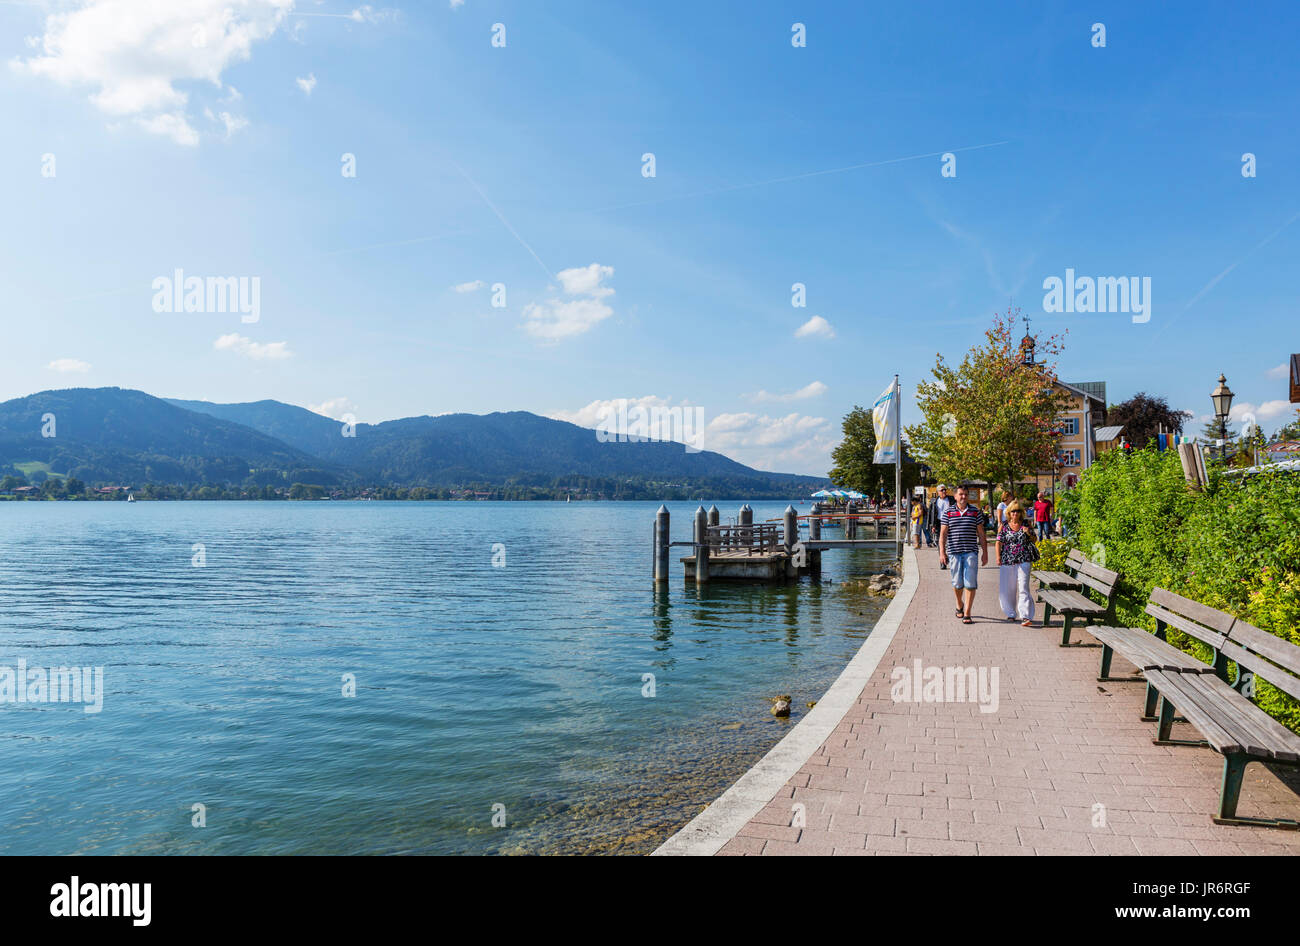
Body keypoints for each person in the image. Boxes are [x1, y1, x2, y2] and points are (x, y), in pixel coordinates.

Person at [939, 485, 988, 624]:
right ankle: (959, 603)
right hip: (954, 552)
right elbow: (943, 534)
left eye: (966, 494)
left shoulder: (975, 512)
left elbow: (981, 533)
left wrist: (985, 553)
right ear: (955, 496)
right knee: (957, 583)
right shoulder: (948, 512)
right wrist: (942, 553)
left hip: (971, 552)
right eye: (961, 494)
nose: (963, 497)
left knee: (970, 583)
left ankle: (967, 612)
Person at [996, 500, 1039, 626]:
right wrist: (998, 557)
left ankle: (1026, 616)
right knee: (1008, 588)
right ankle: (1010, 613)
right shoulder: (1004, 525)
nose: (1016, 513)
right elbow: (998, 542)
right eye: (1013, 511)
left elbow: (1034, 539)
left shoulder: (1026, 523)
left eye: (1018, 511)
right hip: (1007, 560)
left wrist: (1028, 532)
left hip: (1024, 559)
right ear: (1009, 513)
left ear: (1021, 513)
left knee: (1023, 587)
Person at [928, 484, 954, 568]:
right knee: (940, 542)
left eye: (945, 490)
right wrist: (932, 525)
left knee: (951, 541)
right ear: (938, 492)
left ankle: (949, 557)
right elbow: (931, 514)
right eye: (942, 490)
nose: (944, 491)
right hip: (939, 522)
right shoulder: (934, 501)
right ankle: (942, 562)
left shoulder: (951, 499)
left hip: (951, 522)